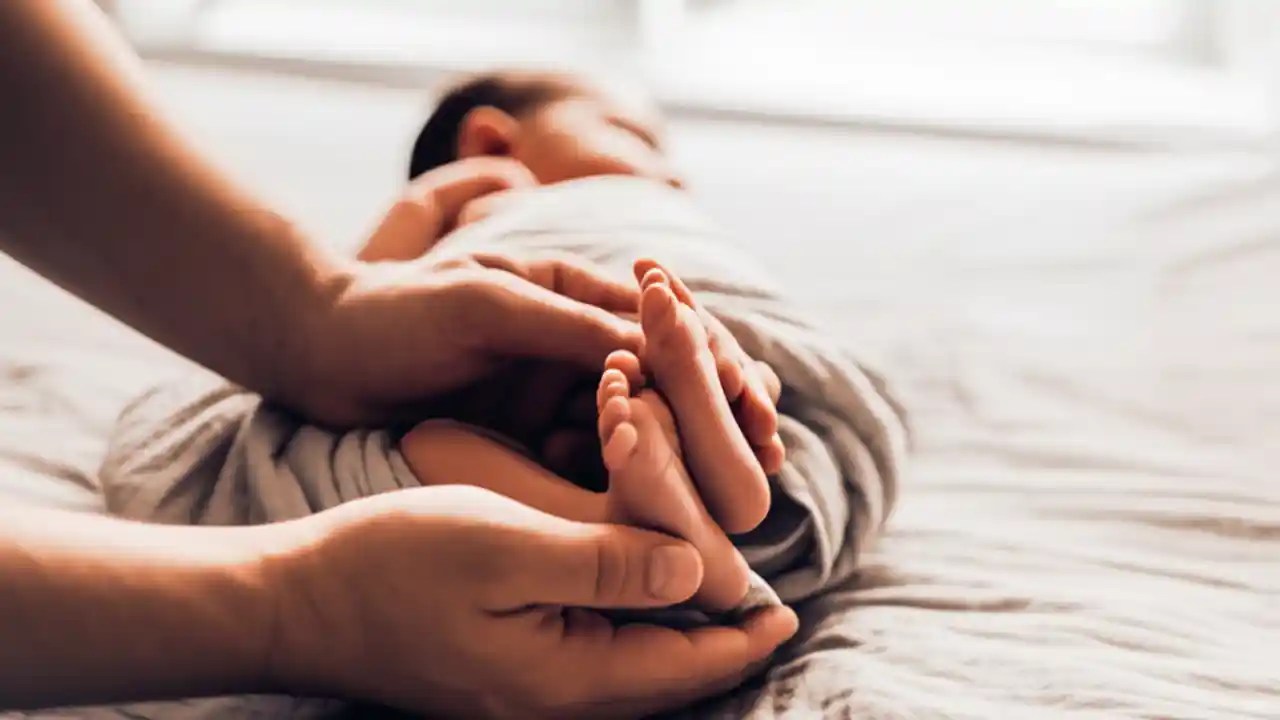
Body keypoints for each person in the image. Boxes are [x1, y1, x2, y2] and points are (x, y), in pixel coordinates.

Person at [0, 2, 797, 718]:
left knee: (730, 380)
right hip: (544, 389)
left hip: (613, 354)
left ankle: (692, 479)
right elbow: (372, 283)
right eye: (631, 138)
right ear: (490, 141)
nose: (674, 176)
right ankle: (631, 514)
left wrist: (324, 314)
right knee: (434, 447)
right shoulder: (476, 202)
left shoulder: (654, 232)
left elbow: (344, 304)